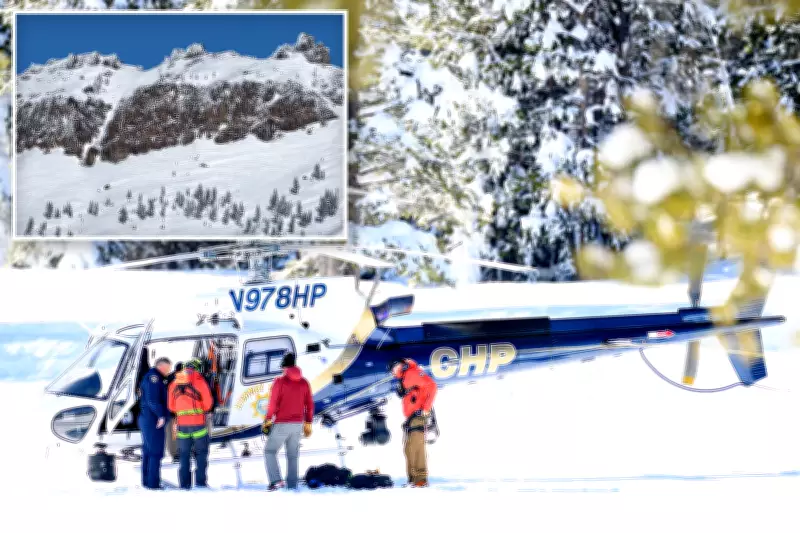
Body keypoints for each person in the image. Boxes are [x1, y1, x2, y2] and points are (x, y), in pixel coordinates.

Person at [262, 352, 314, 491]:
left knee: (269, 451)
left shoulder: (279, 381)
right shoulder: (304, 382)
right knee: (292, 456)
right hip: (297, 425)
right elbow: (309, 404)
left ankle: (276, 480)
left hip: (282, 423)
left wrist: (267, 420)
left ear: (284, 367)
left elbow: (273, 404)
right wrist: (308, 423)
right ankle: (292, 485)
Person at [391, 358, 438, 488]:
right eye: (392, 370)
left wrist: (426, 408)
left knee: (417, 447)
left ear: (400, 365)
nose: (393, 371)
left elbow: (432, 386)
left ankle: (421, 479)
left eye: (395, 367)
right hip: (411, 418)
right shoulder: (404, 377)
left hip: (418, 415)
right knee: (408, 448)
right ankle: (413, 479)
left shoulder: (413, 373)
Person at [167, 362, 214, 490]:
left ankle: (184, 484)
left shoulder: (173, 384)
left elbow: (171, 407)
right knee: (201, 453)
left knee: (183, 455)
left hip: (182, 425)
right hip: (198, 423)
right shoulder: (200, 381)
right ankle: (200, 483)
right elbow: (208, 404)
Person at [138, 356, 172, 490]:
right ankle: (153, 483)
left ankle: (147, 481)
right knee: (155, 451)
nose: (169, 371)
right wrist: (161, 415)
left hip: (148, 418)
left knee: (148, 450)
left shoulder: (151, 377)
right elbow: (153, 401)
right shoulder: (154, 379)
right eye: (168, 368)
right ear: (162, 366)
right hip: (152, 419)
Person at [164, 362, 184, 463]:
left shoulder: (169, 378)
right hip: (178, 411)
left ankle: (175, 454)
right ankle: (178, 453)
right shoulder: (181, 379)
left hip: (170, 411)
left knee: (172, 434)